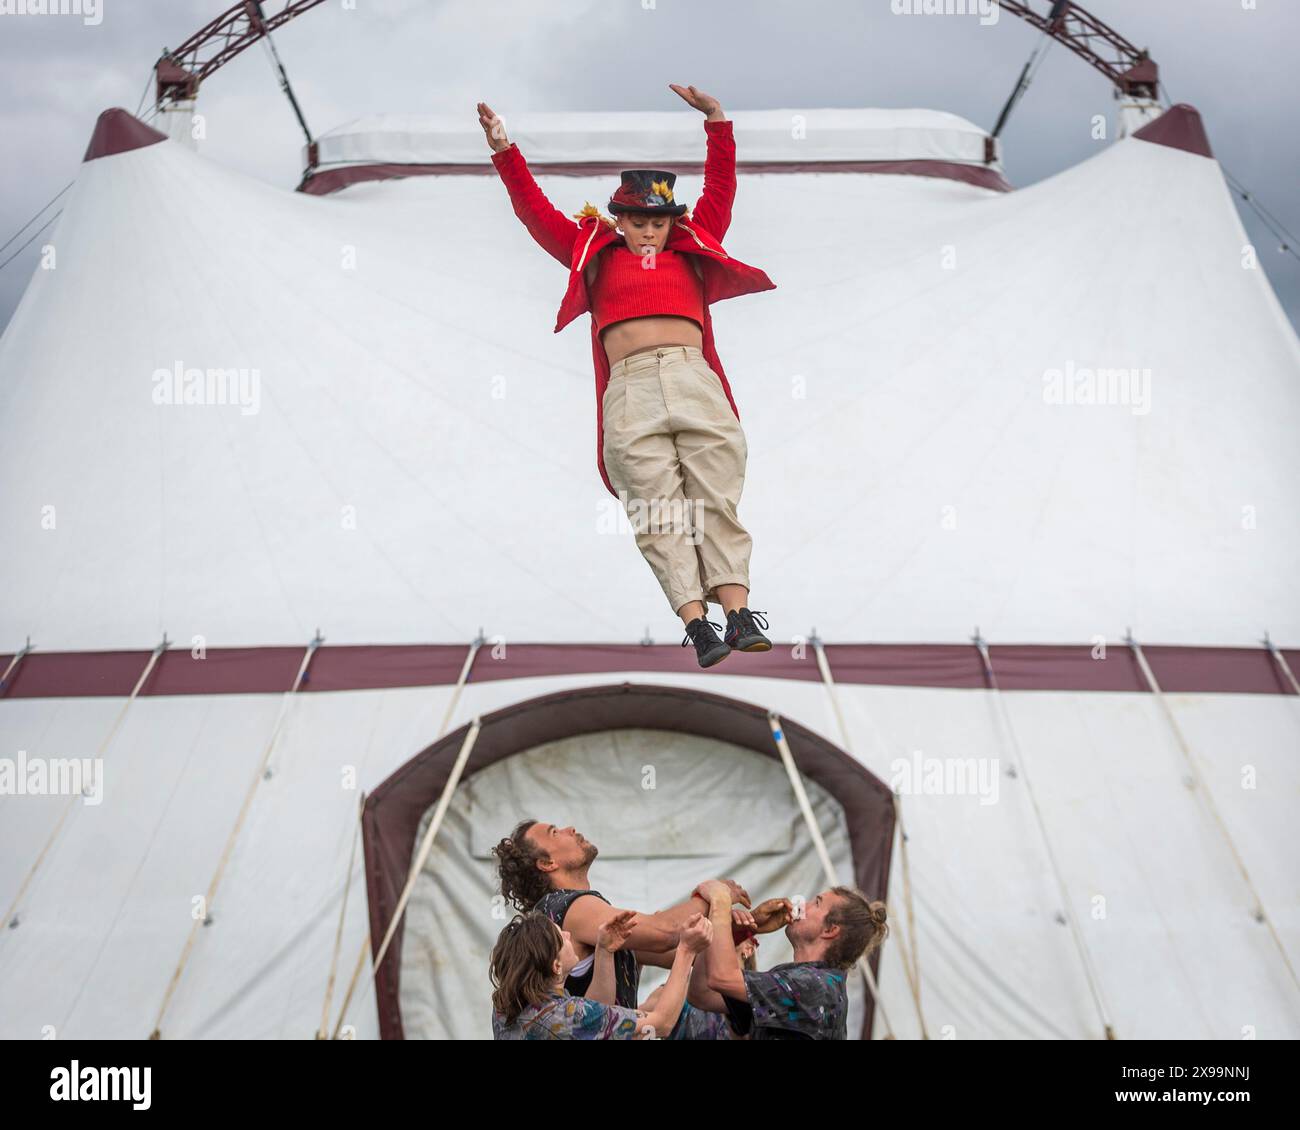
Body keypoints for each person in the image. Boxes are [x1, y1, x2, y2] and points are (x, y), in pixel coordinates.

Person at [478, 84, 777, 668]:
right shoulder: (593, 252)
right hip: (631, 387)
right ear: (618, 220)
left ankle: (740, 614)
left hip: (693, 379)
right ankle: (698, 625)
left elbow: (721, 190)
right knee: (655, 507)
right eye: (637, 220)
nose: (647, 231)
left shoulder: (692, 250)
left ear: (671, 224)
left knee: (715, 493)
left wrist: (718, 122)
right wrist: (504, 149)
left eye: (658, 222)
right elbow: (534, 211)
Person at [491, 818, 774, 1015]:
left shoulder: (578, 914)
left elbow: (683, 949)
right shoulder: (569, 906)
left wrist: (743, 929)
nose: (570, 829)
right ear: (547, 863)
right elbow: (665, 932)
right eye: (555, 832)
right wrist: (717, 893)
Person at [691, 880, 888, 1040]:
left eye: (816, 903)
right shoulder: (800, 981)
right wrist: (744, 930)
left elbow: (721, 977)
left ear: (830, 930)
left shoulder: (816, 987)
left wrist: (720, 902)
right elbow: (701, 994)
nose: (803, 905)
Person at [489, 910, 713, 1039]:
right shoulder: (568, 1015)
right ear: (555, 966)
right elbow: (660, 1024)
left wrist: (604, 951)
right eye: (562, 938)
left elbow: (592, 1019)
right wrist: (686, 951)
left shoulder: (505, 1007)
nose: (569, 934)